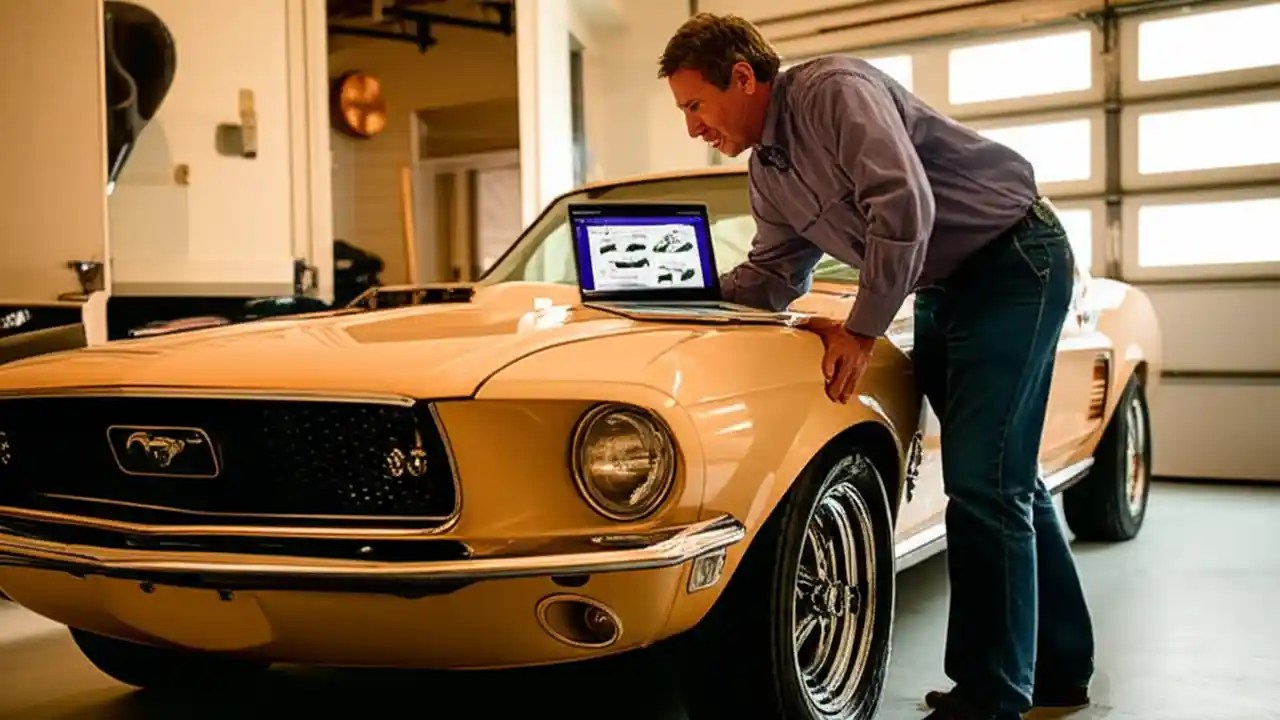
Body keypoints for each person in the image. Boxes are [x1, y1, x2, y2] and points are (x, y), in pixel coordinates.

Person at [658, 13, 1096, 720]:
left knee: (985, 482)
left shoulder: (834, 92)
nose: (692, 128)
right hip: (944, 283)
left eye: (695, 106)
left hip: (1014, 260)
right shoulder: (768, 171)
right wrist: (679, 293)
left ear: (742, 78)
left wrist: (860, 330)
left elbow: (904, 205)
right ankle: (1061, 667)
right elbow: (773, 275)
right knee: (1005, 480)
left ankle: (992, 695)